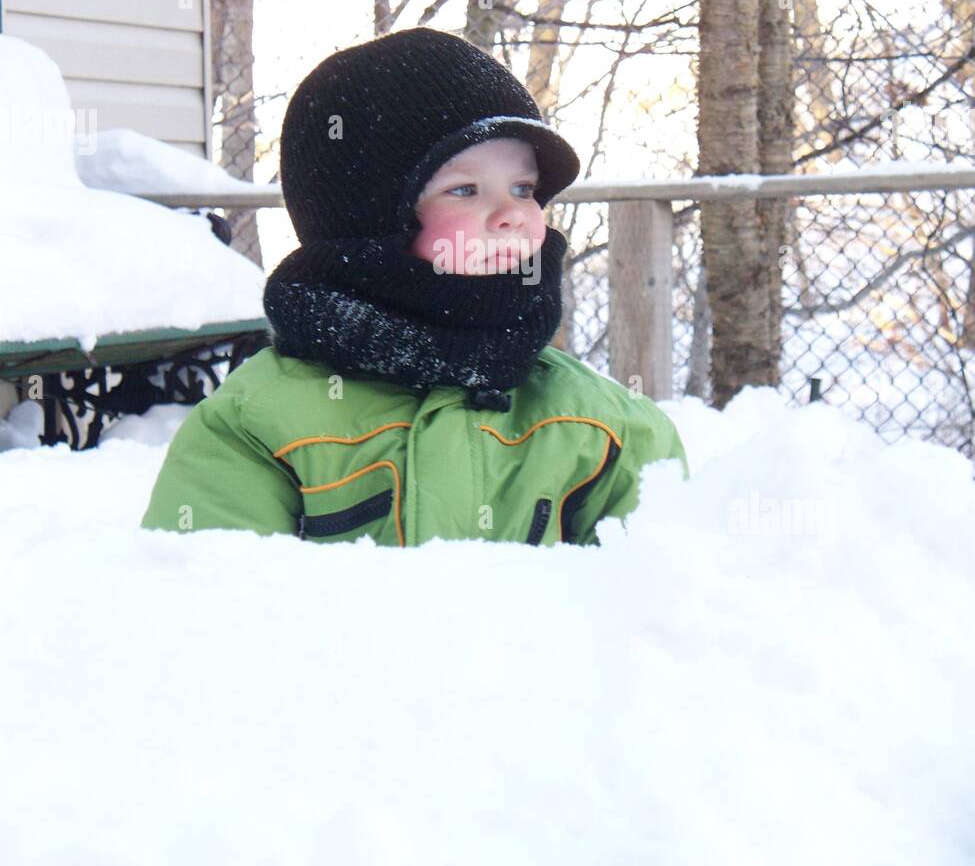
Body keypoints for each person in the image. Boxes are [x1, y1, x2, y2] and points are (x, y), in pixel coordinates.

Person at [140, 27, 688, 546]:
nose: (511, 215)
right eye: (465, 189)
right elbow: (213, 606)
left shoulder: (605, 428)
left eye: (524, 187)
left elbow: (656, 613)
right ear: (369, 221)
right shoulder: (258, 422)